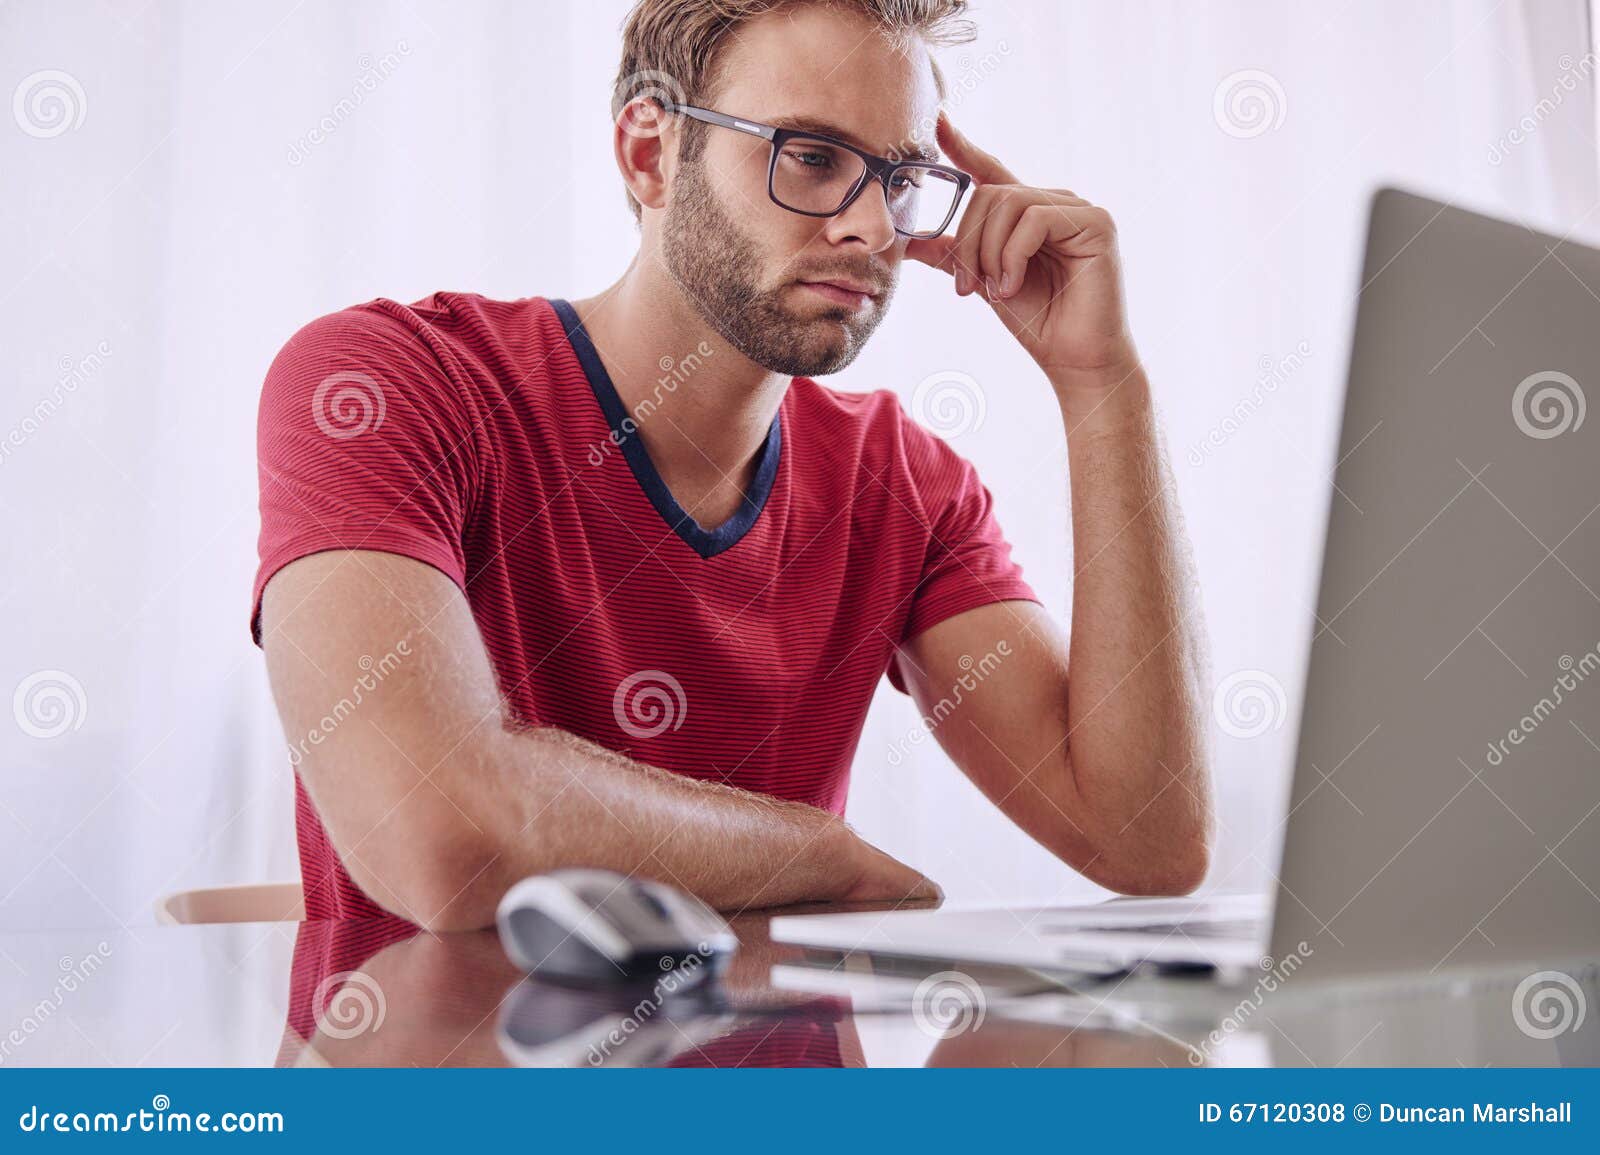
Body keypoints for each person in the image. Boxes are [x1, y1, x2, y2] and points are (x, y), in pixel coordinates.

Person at [253, 0, 1213, 929]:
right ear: (651, 152)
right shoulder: (390, 384)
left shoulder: (900, 483)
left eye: (900, 177)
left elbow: (1146, 842)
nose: (873, 230)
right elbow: (436, 831)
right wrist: (821, 857)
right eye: (812, 157)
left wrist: (1102, 386)